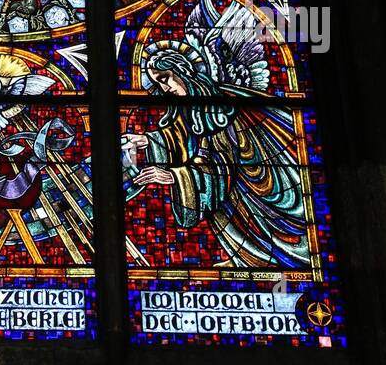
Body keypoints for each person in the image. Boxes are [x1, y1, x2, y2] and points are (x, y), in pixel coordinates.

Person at [122, 40, 310, 269]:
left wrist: (173, 176)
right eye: (157, 82)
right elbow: (185, 134)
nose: (164, 88)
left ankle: (268, 260)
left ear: (182, 69)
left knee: (271, 240)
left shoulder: (216, 104)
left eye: (164, 78)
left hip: (254, 184)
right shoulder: (190, 103)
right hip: (233, 190)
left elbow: (220, 162)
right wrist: (147, 141)